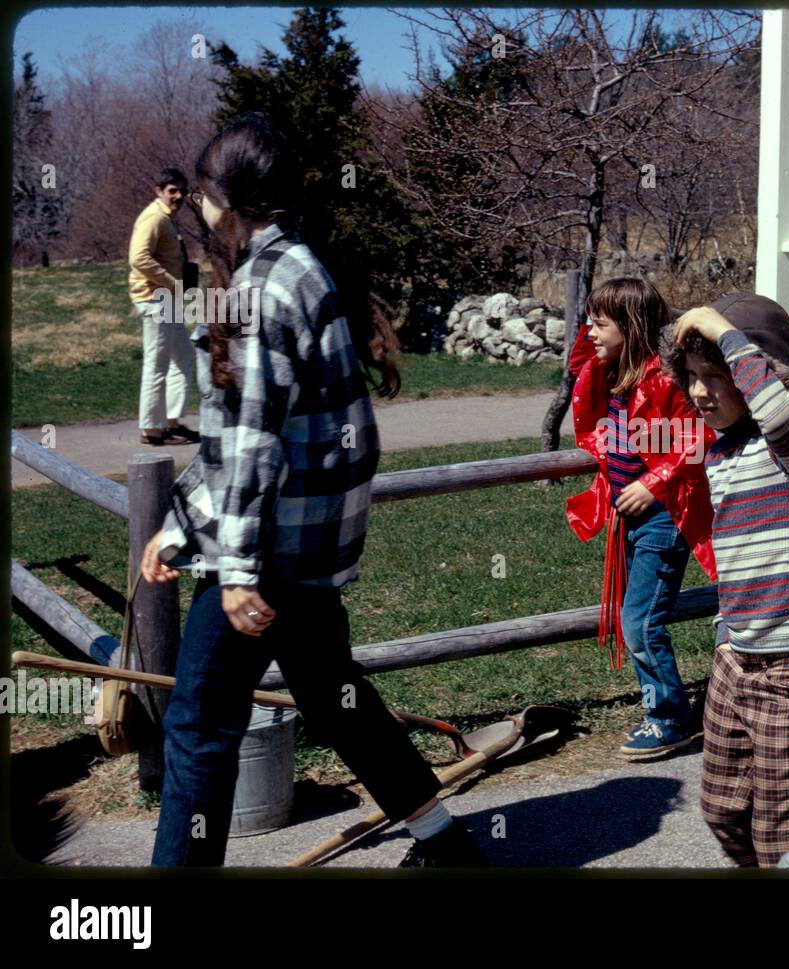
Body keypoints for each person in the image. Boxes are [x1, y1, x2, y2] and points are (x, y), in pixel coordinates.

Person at [139, 116, 484, 867]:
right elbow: (245, 439)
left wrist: (233, 573)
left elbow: (255, 444)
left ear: (222, 202)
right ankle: (446, 844)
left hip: (267, 561)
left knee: (198, 726)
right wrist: (178, 527)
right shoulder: (303, 266)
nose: (196, 215)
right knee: (337, 699)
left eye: (200, 200)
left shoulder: (258, 290)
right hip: (309, 550)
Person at [665, 304, 789, 867]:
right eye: (692, 376)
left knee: (783, 837)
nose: (700, 391)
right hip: (736, 658)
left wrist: (720, 328)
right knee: (723, 811)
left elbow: (778, 412)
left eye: (716, 376)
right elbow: (737, 553)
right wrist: (724, 633)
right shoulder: (720, 453)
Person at [565, 277, 716, 759]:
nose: (589, 332)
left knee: (639, 621)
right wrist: (595, 333)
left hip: (664, 517)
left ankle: (669, 718)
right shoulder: (608, 370)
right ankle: (666, 710)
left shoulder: (667, 378)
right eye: (588, 321)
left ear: (630, 328)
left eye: (601, 323)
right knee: (639, 617)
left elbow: (699, 439)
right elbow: (576, 366)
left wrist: (655, 482)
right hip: (625, 514)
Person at [128, 167, 198, 447]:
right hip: (156, 298)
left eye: (182, 190)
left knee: (183, 356)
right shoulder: (154, 218)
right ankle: (151, 431)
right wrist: (172, 282)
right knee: (157, 365)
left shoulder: (167, 219)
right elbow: (139, 258)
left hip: (167, 298)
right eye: (172, 190)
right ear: (158, 191)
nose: (178, 196)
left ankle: (171, 421)